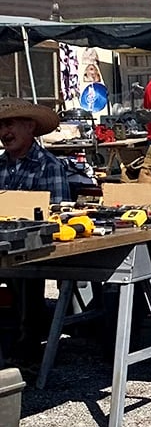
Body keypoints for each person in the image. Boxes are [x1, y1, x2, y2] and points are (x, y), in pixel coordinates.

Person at [0, 98, 71, 361]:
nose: (5, 133)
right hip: (4, 241)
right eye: (1, 127)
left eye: (10, 125)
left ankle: (27, 344)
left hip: (34, 246)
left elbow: (58, 213)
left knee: (24, 270)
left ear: (30, 127)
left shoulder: (48, 165)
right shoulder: (0, 165)